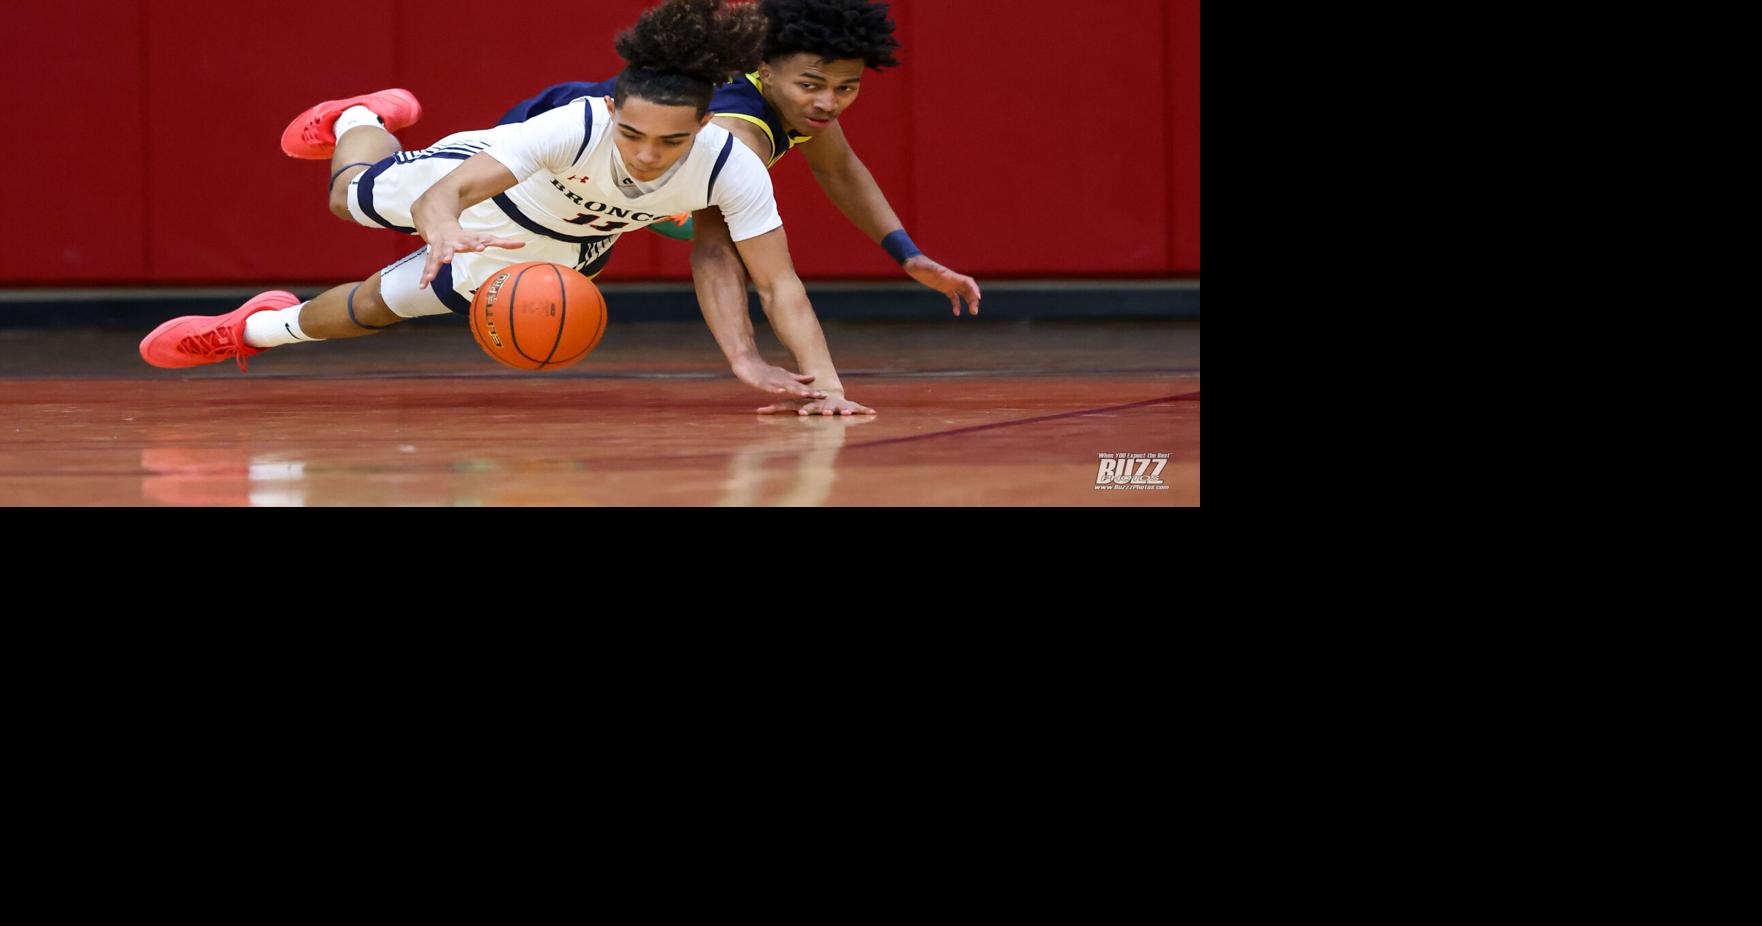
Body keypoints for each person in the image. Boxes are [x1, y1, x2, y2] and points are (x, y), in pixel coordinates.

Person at [139, 0, 875, 416]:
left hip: (553, 249)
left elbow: (774, 283)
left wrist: (807, 379)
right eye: (634, 134)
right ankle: (360, 116)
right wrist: (444, 227)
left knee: (375, 310)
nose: (648, 154)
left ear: (703, 129)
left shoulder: (732, 167)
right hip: (480, 190)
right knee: (344, 199)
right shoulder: (574, 124)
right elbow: (448, 193)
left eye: (670, 143)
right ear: (611, 109)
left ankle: (252, 330)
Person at [501, 0, 983, 320]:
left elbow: (840, 170)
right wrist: (748, 357)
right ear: (766, 71)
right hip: (535, 145)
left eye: (846, 88)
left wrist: (908, 254)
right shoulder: (738, 134)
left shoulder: (799, 105)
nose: (828, 103)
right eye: (811, 85)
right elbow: (708, 246)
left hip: (591, 193)